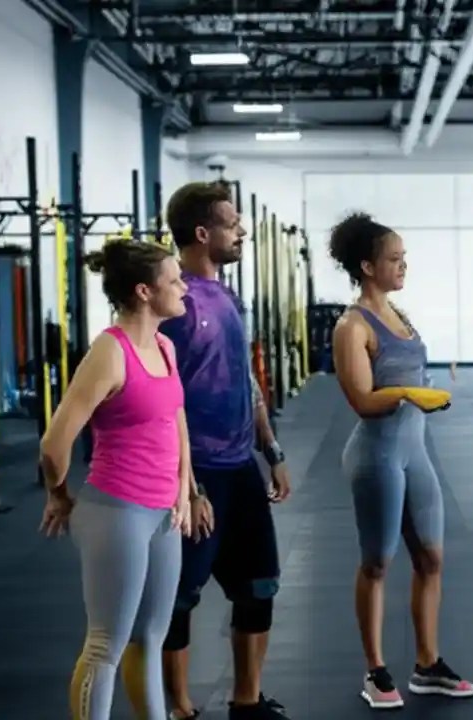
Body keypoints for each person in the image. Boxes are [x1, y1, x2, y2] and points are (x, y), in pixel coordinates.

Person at [328, 212, 473, 711]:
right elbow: (362, 400)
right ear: (367, 266)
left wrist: (421, 393)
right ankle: (375, 671)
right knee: (377, 562)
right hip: (377, 456)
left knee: (431, 559)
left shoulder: (400, 315)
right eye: (394, 259)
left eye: (404, 258)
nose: (403, 266)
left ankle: (427, 664)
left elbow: (408, 378)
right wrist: (409, 393)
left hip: (415, 452)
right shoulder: (352, 326)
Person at [39, 239, 190, 720]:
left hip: (164, 514)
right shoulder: (110, 352)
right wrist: (59, 496)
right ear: (145, 291)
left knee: (150, 637)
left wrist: (184, 487)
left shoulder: (164, 346)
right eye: (174, 280)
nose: (184, 288)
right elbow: (54, 443)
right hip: (116, 511)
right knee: (106, 644)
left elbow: (175, 419)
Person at [158, 182, 293, 720]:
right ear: (201, 233)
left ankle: (246, 701)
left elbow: (247, 381)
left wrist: (271, 449)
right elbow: (163, 397)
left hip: (241, 468)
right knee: (179, 596)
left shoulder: (229, 297)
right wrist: (186, 485)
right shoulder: (175, 302)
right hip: (196, 472)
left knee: (260, 586)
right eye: (232, 224)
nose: (241, 232)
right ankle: (180, 709)